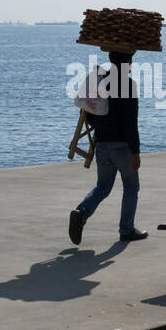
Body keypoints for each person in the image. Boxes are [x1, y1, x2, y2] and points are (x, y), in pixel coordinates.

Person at [69, 51, 146, 243]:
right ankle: (126, 230)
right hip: (122, 146)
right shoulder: (129, 85)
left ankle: (81, 212)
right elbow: (130, 122)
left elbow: (90, 115)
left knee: (102, 187)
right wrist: (136, 152)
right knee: (131, 186)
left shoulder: (100, 82)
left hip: (102, 144)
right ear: (128, 62)